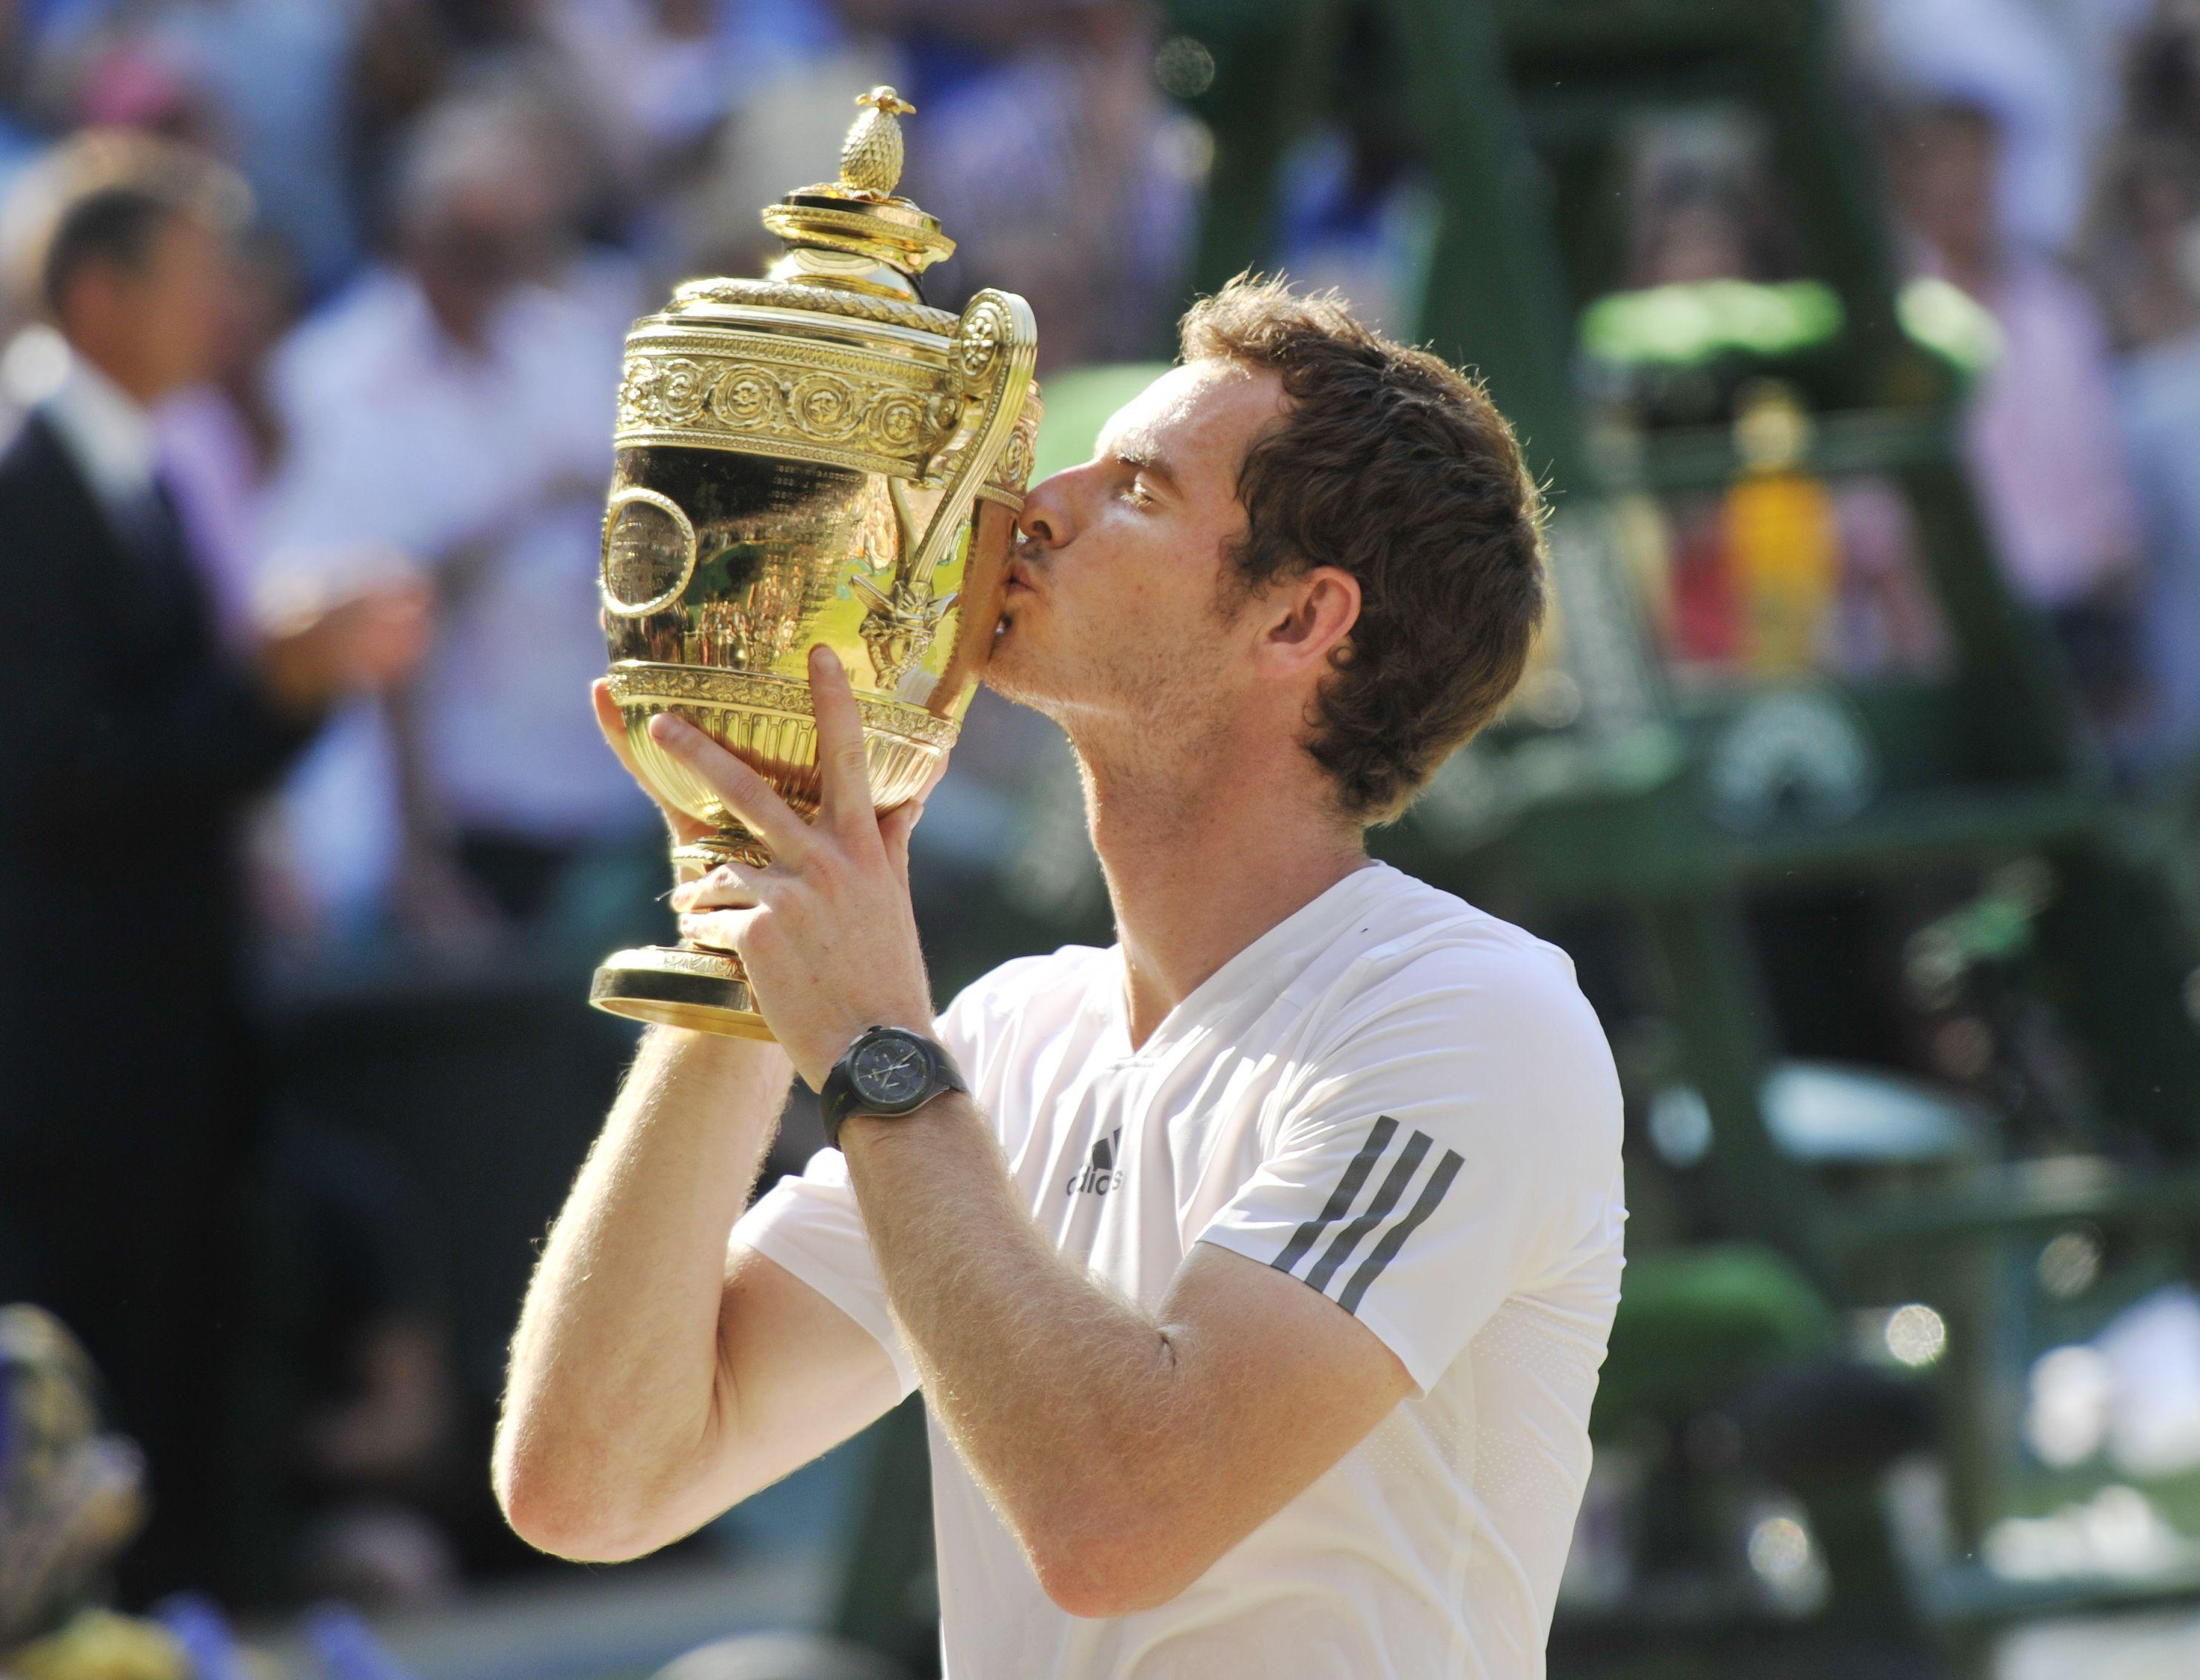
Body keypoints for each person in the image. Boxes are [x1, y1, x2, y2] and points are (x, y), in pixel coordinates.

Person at [496, 279, 1627, 1678]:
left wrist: (872, 1047)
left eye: (1138, 488)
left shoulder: (1473, 1019)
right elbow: (591, 1483)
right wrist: (752, 921)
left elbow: (1121, 1522)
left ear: (1298, 622)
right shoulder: (1014, 1032)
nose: (1037, 501)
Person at [0, 131, 425, 1598]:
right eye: (195, 277)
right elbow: (60, 774)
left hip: (162, 1054)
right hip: (62, 1074)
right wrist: (272, 684)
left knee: (182, 1396)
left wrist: (292, 688)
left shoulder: (143, 474)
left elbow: (176, 762)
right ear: (101, 292)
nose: (226, 309)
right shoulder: (27, 479)